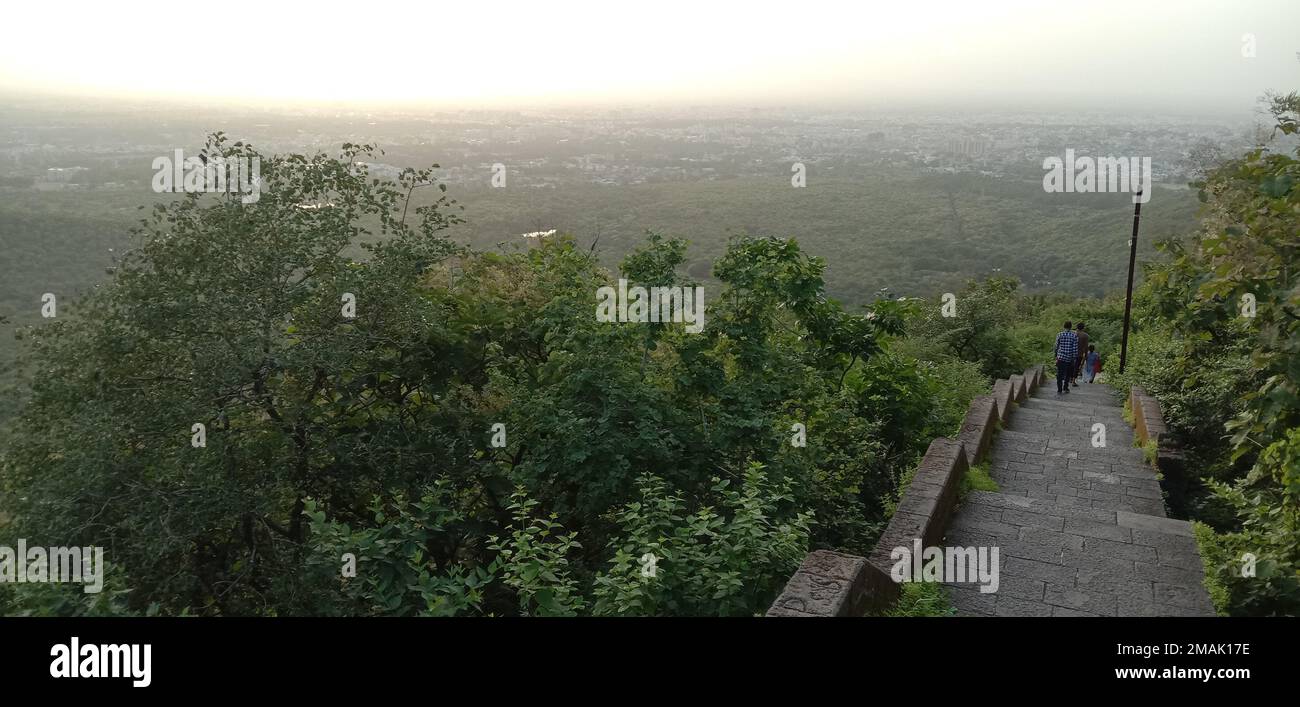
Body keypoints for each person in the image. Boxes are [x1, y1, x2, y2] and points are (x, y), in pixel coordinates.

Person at [1054, 321, 1078, 394]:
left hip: (1061, 357)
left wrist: (1056, 355)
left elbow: (1056, 346)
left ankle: (1059, 389)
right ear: (1071, 327)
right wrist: (1074, 358)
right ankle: (1066, 387)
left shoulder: (1059, 334)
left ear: (1064, 326)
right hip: (1069, 358)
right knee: (1068, 374)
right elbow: (1075, 348)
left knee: (1060, 374)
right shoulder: (1074, 335)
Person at [1073, 322, 1089, 387]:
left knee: (1071, 366)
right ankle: (1073, 380)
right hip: (1079, 353)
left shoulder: (1073, 333)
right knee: (1076, 367)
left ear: (1077, 327)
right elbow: (1086, 346)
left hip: (1071, 353)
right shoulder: (1085, 335)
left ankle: (1068, 379)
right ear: (1083, 328)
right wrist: (1086, 355)